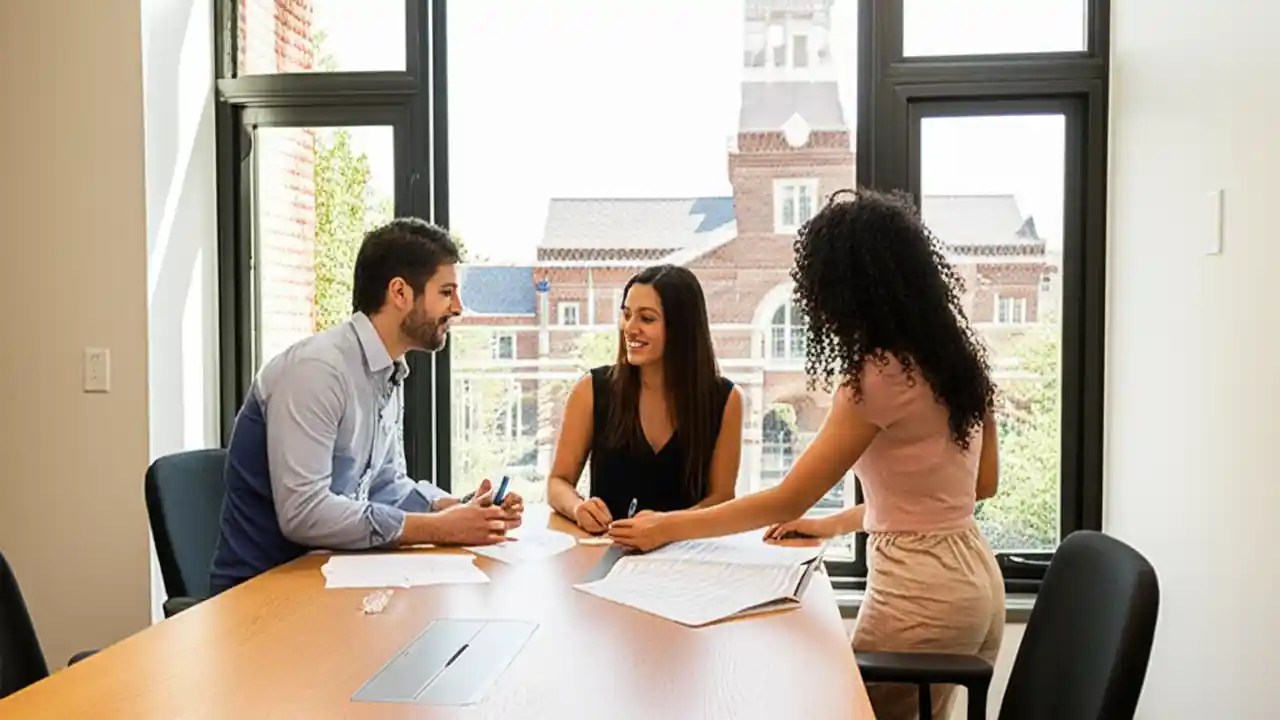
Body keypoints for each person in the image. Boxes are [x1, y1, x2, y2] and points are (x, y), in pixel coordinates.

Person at [609, 190, 1003, 720]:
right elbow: (971, 490)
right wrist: (830, 526)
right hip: (974, 580)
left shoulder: (878, 374)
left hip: (921, 591)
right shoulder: (954, 357)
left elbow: (788, 496)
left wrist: (668, 527)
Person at [210, 218, 523, 593]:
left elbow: (385, 486)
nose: (458, 307)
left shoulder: (388, 370)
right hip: (264, 591)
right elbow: (304, 514)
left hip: (328, 578)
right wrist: (441, 529)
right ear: (400, 293)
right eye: (447, 292)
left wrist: (461, 509)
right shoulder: (317, 372)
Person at [546, 265, 744, 533]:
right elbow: (558, 482)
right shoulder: (591, 389)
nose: (630, 328)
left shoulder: (726, 399)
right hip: (607, 554)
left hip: (687, 557)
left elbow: (721, 499)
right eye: (626, 315)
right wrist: (578, 508)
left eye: (646, 319)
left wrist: (666, 528)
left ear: (681, 327)